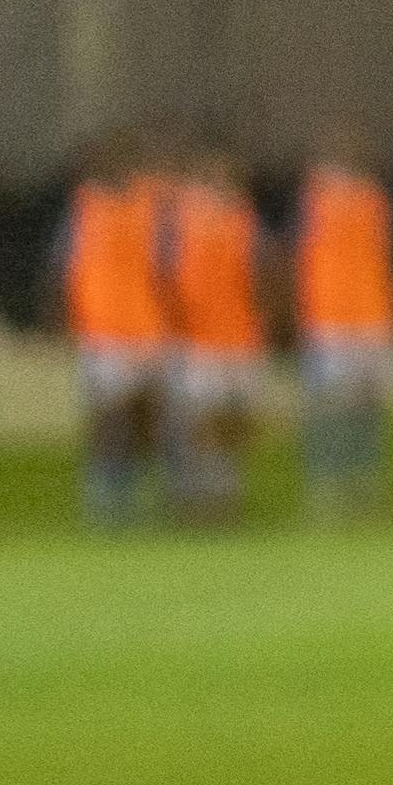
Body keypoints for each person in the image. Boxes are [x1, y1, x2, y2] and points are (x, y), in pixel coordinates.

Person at [50, 136, 174, 530]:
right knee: (108, 420)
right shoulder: (84, 209)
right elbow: (62, 271)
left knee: (148, 422)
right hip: (103, 332)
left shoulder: (151, 204)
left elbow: (169, 264)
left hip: (148, 328)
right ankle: (107, 504)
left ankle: (147, 499)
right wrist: (62, 322)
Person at [294, 132, 393, 517]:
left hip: (372, 316)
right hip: (330, 320)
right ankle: (327, 486)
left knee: (366, 409)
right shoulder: (317, 197)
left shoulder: (374, 200)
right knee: (330, 408)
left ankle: (362, 485)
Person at [161, 145, 271, 522]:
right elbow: (162, 276)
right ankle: (192, 499)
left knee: (231, 423)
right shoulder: (180, 219)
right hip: (196, 339)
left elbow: (261, 275)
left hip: (239, 336)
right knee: (196, 424)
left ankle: (224, 498)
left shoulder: (244, 221)